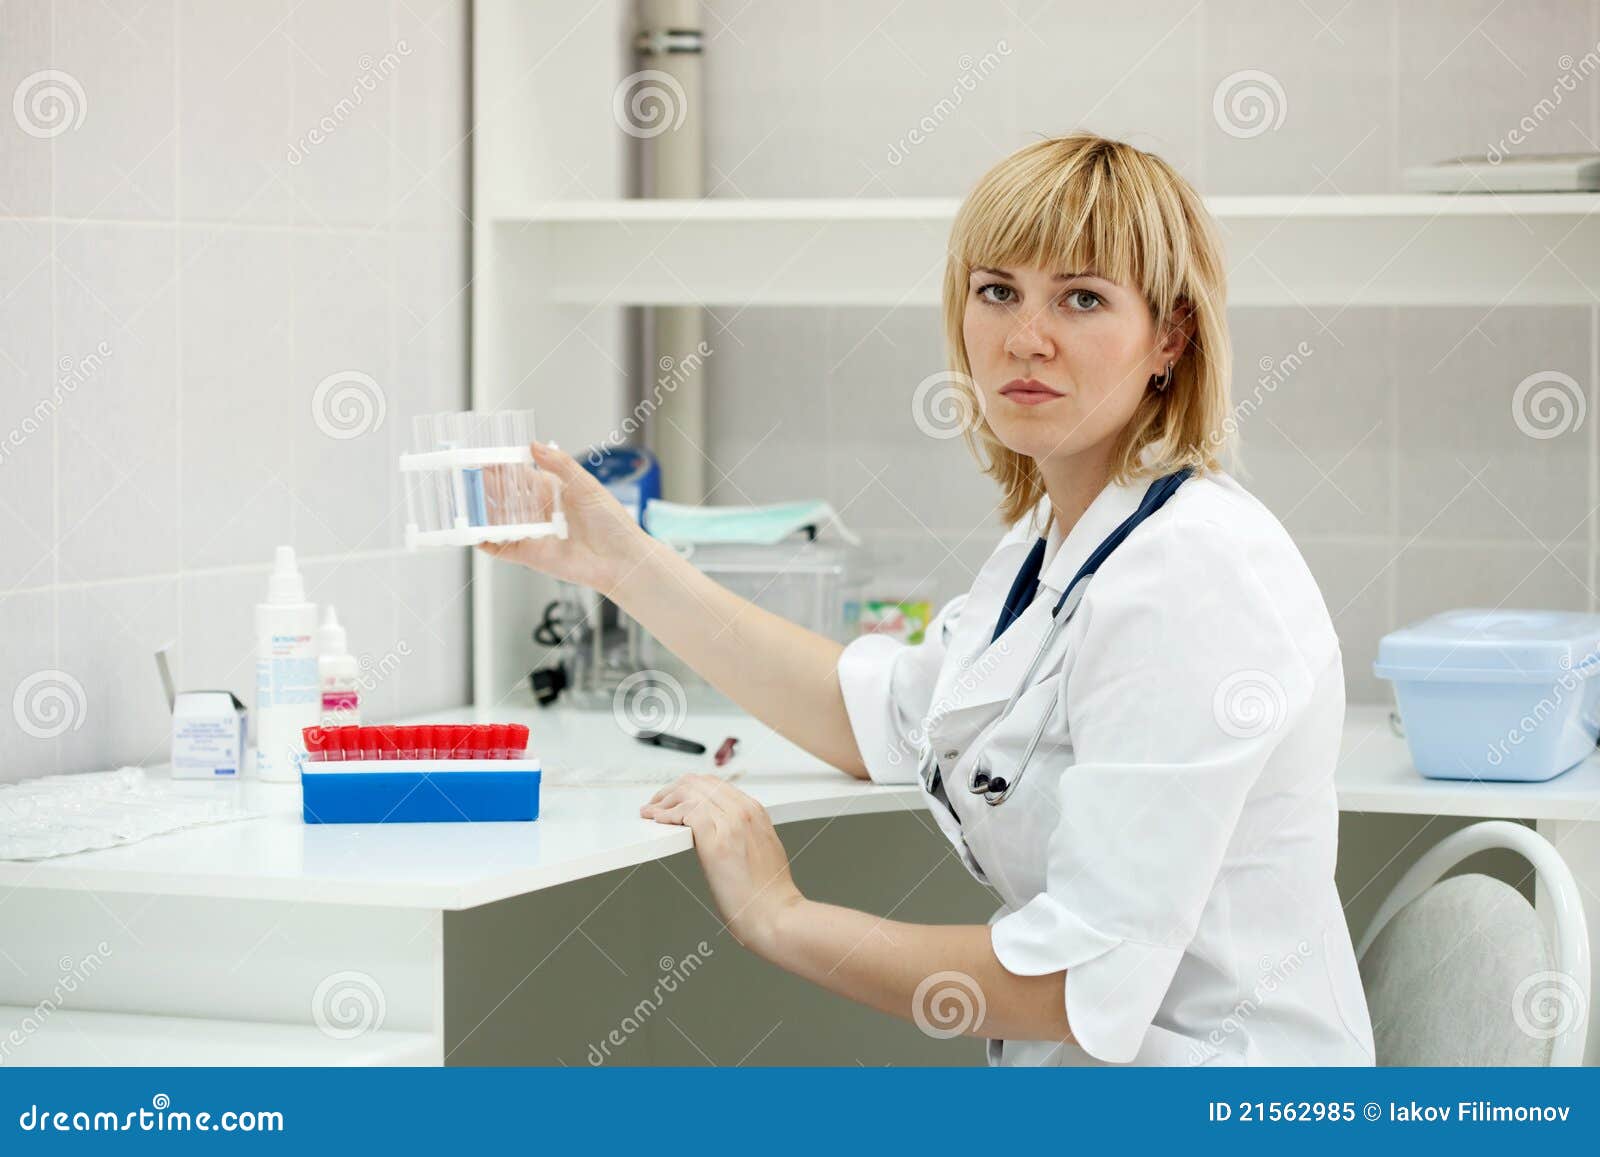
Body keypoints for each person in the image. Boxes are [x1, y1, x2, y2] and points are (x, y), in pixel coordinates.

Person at [480, 133, 1376, 1066]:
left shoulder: (1194, 574)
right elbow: (871, 714)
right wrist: (622, 562)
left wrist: (780, 917)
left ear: (1171, 338)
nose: (1026, 336)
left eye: (1082, 297)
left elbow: (1077, 983)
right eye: (998, 292)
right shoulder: (1058, 541)